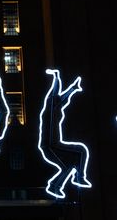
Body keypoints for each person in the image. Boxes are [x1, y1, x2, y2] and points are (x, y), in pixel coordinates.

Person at [35, 68, 93, 200]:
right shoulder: (51, 109)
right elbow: (57, 96)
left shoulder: (55, 108)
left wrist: (72, 88)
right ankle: (76, 178)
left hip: (54, 145)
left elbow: (62, 98)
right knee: (80, 152)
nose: (62, 100)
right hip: (50, 145)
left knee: (73, 161)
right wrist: (57, 78)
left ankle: (57, 185)